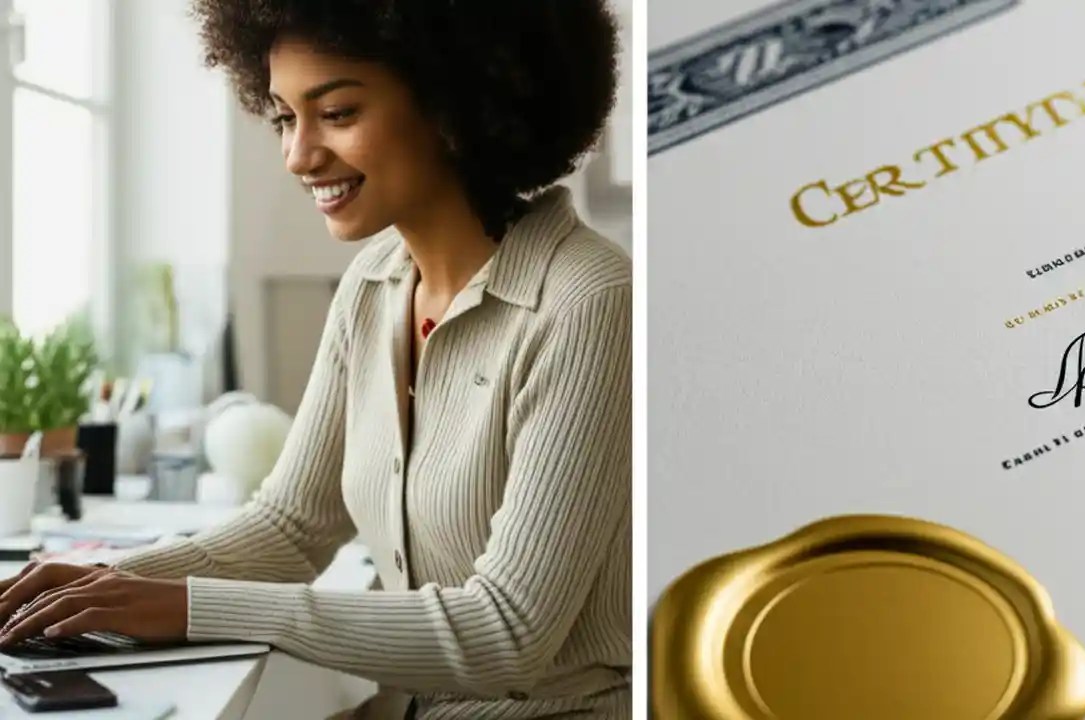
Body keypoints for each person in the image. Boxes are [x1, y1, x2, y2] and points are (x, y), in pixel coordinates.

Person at [0, 1, 631, 718]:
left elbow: (506, 632)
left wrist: (187, 606)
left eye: (336, 114)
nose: (299, 156)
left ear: (453, 103)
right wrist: (93, 583)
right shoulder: (372, 286)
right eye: (283, 118)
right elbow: (291, 528)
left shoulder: (588, 301)